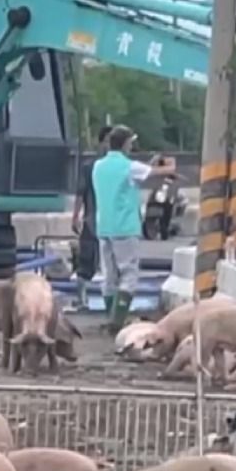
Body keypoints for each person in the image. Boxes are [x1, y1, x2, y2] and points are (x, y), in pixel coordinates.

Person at [91, 125, 177, 332]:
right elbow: (162, 172)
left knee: (109, 276)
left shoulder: (98, 166)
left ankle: (111, 316)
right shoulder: (129, 167)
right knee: (128, 274)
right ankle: (117, 322)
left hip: (104, 227)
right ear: (126, 144)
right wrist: (169, 164)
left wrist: (147, 165)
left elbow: (134, 174)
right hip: (125, 227)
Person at [71, 126, 113, 308]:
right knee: (86, 259)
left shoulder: (116, 166)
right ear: (101, 142)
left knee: (113, 263)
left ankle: (111, 302)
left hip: (111, 221)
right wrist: (76, 216)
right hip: (93, 219)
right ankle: (82, 299)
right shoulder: (90, 167)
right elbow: (81, 193)